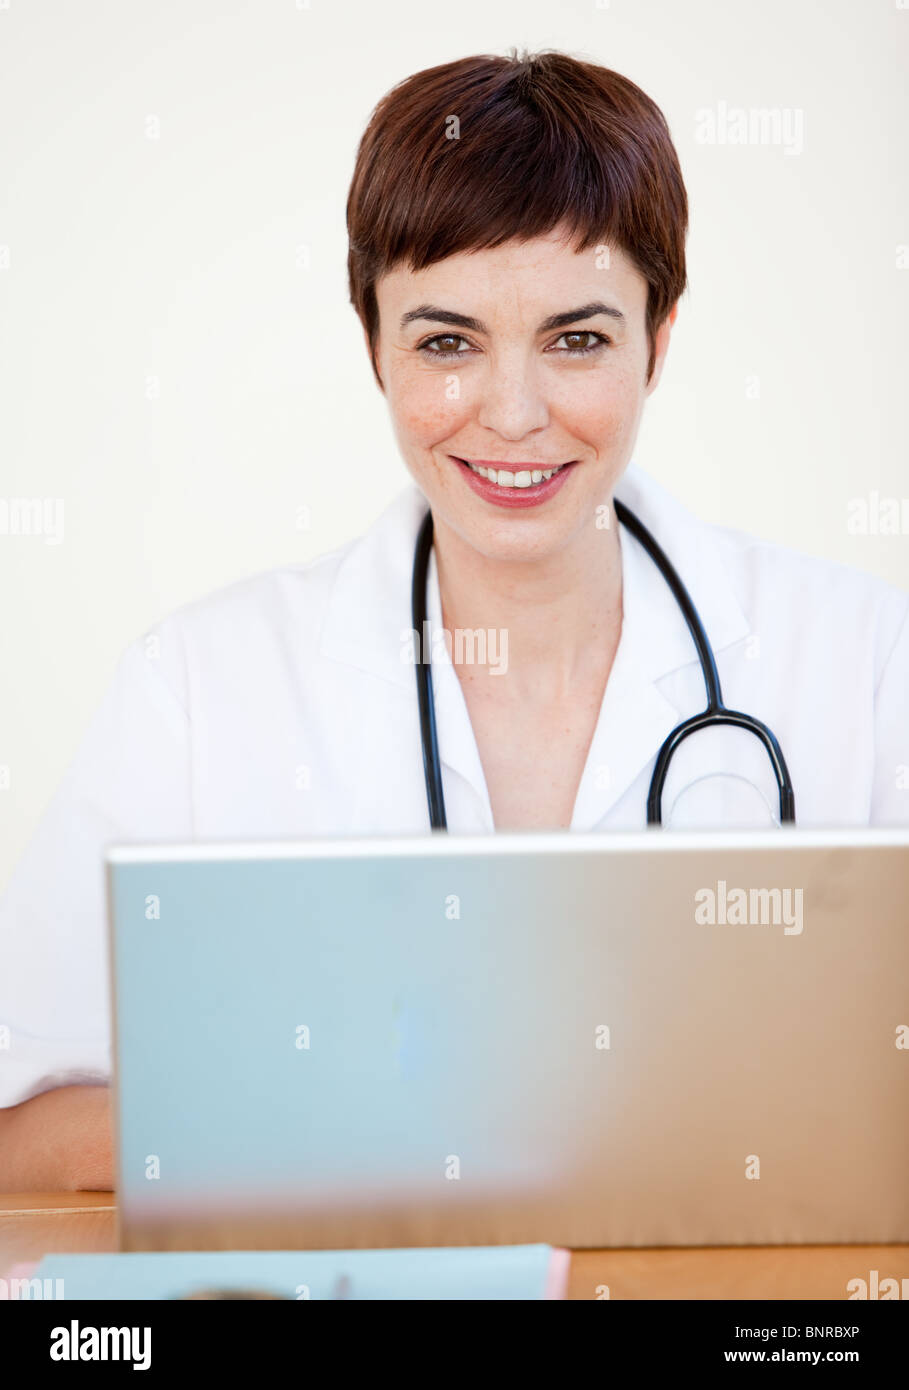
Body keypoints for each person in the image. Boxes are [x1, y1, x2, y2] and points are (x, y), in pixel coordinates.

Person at [0, 51, 906, 1190]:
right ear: (373, 346)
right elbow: (18, 1129)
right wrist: (372, 1123)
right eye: (446, 342)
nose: (513, 415)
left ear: (660, 340)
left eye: (578, 339)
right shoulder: (198, 688)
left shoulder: (862, 663)